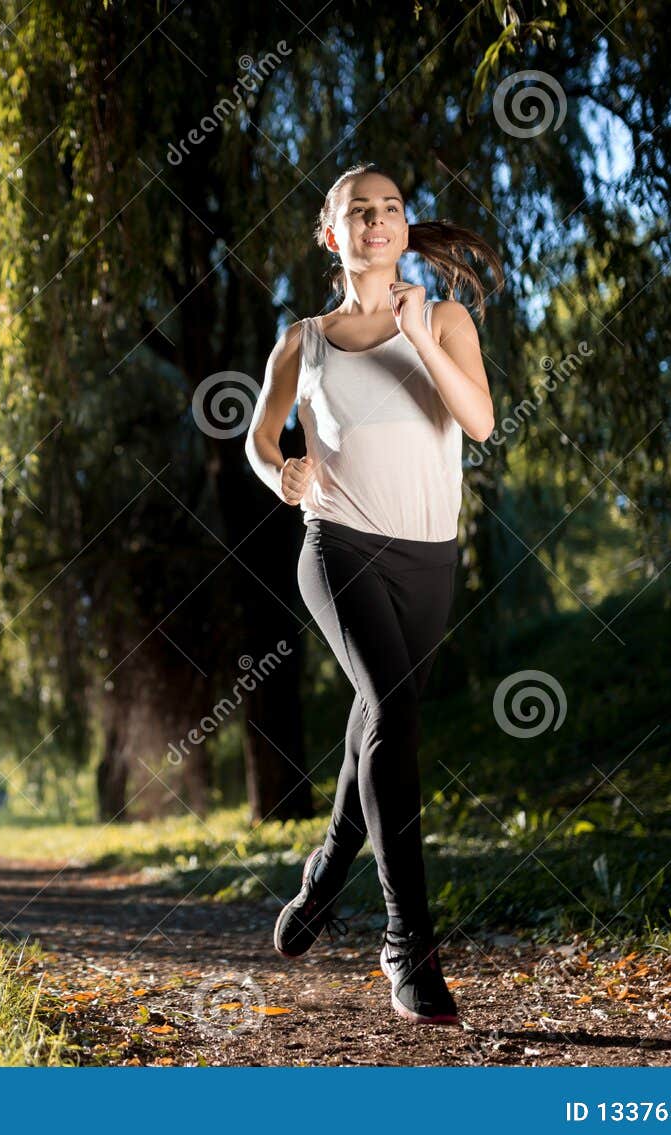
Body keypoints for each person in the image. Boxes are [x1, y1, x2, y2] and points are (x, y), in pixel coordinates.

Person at [244, 162, 503, 1025]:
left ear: (402, 228)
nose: (379, 221)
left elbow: (479, 420)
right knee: (394, 708)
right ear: (333, 235)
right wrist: (281, 468)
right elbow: (257, 436)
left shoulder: (449, 319)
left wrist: (420, 333)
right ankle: (409, 945)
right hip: (337, 544)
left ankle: (322, 880)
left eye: (391, 208)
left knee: (377, 717)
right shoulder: (302, 340)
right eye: (360, 211)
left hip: (432, 554)